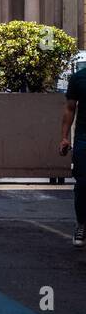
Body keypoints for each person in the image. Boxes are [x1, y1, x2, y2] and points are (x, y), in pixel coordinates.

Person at [59, 65, 86, 247]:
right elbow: (70, 108)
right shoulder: (79, 78)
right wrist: (64, 137)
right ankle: (82, 224)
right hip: (84, 138)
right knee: (83, 184)